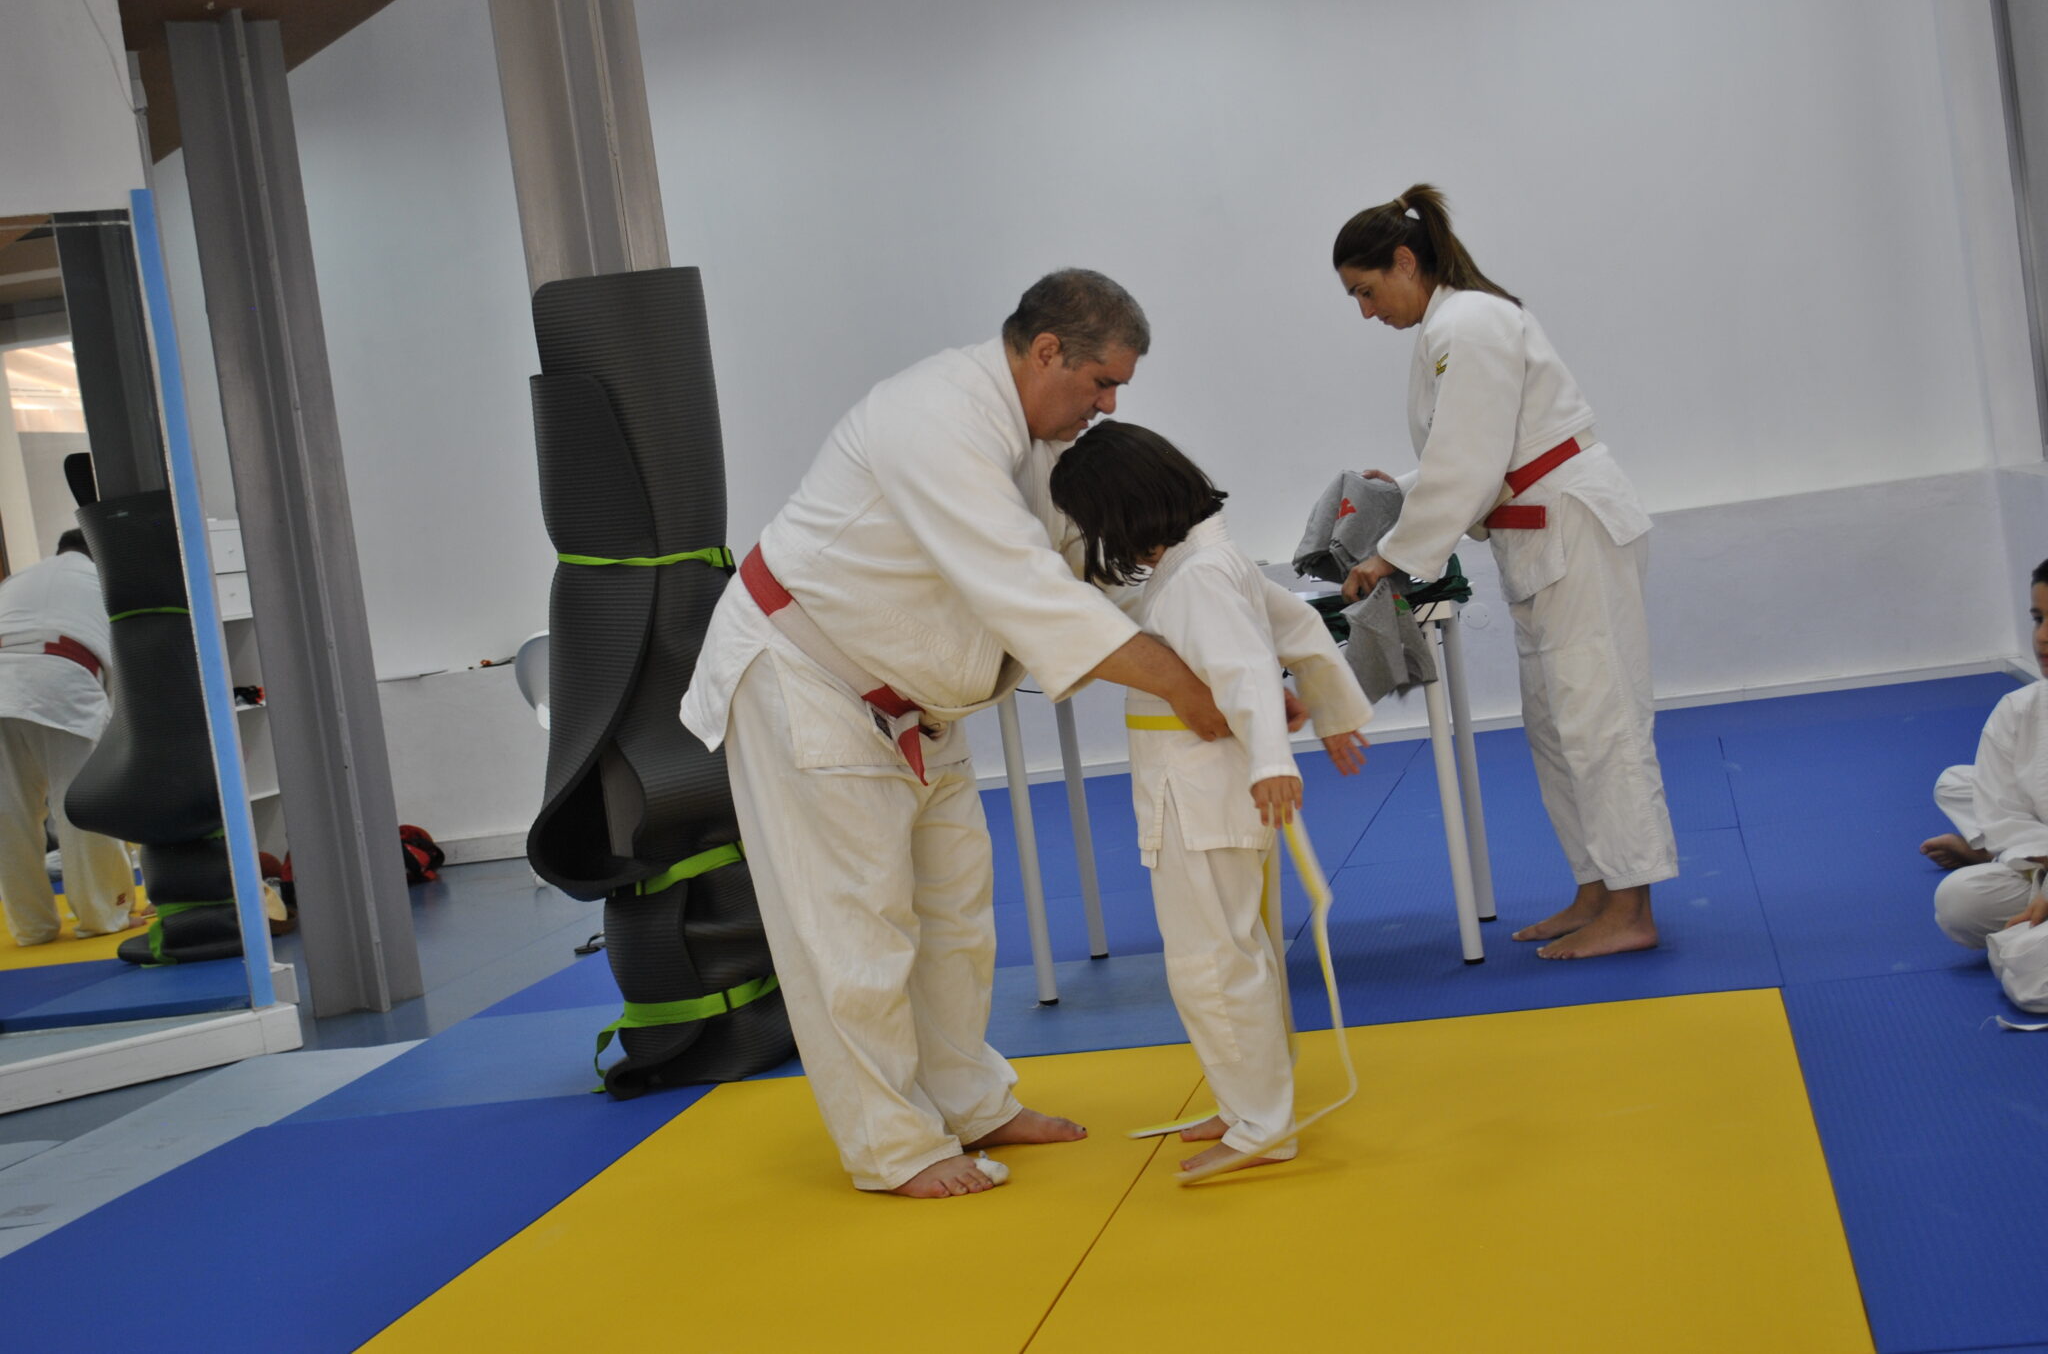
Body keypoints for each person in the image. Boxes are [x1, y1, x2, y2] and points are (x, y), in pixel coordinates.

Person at [681, 270, 1245, 1198]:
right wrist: (1188, 684)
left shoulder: (1036, 441)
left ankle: (970, 1100)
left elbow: (1094, 570)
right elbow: (1027, 587)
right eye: (1101, 382)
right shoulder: (935, 417)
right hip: (808, 679)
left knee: (955, 914)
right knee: (854, 929)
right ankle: (893, 1146)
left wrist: (1239, 651)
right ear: (1047, 350)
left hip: (914, 699)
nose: (1107, 406)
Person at [1331, 184, 1677, 959]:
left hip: (1572, 532)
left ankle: (1633, 905)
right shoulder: (1451, 327)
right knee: (1555, 727)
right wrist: (1405, 495)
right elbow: (1470, 454)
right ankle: (1595, 887)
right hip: (1537, 536)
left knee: (1601, 720)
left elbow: (1471, 460)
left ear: (1405, 260)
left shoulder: (1471, 321)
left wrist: (1393, 551)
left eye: (1366, 289)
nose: (1365, 311)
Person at [1050, 422, 1371, 1175]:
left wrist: (1271, 758)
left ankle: (1261, 1122)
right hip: (1211, 780)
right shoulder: (1209, 561)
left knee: (1211, 959)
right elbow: (1291, 628)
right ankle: (1252, 1104)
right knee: (1236, 947)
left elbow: (1244, 668)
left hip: (1202, 787)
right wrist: (1330, 709)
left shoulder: (1195, 576)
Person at [0, 529, 141, 945]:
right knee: (81, 807)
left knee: (9, 817)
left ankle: (31, 928)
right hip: (63, 678)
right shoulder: (105, 583)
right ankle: (104, 916)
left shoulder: (19, 579)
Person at [1933, 560, 2048, 947]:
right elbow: (2005, 816)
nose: (2043, 637)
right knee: (1959, 904)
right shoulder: (2020, 708)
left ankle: (1996, 859)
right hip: (2041, 853)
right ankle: (2004, 861)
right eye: (2038, 619)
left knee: (2028, 975)